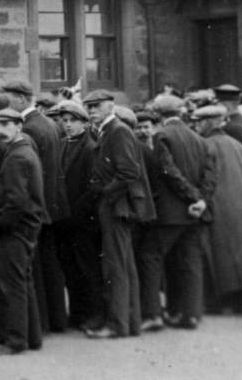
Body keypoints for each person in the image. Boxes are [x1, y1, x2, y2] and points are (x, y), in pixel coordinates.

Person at [137, 96, 215, 331]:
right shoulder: (201, 140)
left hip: (171, 213)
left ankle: (153, 314)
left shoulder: (163, 136)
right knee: (190, 262)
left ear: (159, 115)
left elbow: (168, 171)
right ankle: (191, 314)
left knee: (149, 256)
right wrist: (200, 200)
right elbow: (211, 177)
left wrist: (192, 197)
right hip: (195, 213)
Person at [84, 90, 154, 339]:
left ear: (110, 106)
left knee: (116, 267)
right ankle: (128, 323)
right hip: (116, 206)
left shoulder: (117, 130)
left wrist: (105, 193)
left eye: (97, 106)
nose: (92, 110)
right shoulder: (109, 130)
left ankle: (118, 324)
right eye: (89, 106)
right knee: (122, 265)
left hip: (117, 207)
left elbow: (128, 172)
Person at [5, 80, 69, 334]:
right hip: (51, 204)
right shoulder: (47, 123)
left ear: (21, 99)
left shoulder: (29, 128)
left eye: (8, 98)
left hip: (38, 206)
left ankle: (41, 322)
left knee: (38, 268)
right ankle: (56, 319)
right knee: (50, 266)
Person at [193, 104, 242, 314]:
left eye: (199, 122)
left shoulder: (203, 144)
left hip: (217, 207)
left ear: (209, 123)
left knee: (218, 254)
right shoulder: (237, 145)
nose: (197, 125)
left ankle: (217, 302)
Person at [0, 109, 47, 355]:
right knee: (23, 280)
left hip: (16, 228)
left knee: (12, 284)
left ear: (18, 126)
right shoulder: (23, 151)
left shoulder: (17, 156)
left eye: (5, 124)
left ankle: (16, 340)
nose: (0, 130)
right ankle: (32, 337)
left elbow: (16, 201)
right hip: (26, 226)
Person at [51, 99, 102, 332]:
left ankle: (93, 313)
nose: (68, 125)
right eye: (65, 121)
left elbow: (93, 188)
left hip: (82, 221)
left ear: (84, 123)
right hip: (64, 220)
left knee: (87, 269)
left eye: (73, 121)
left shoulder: (90, 148)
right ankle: (78, 312)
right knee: (69, 268)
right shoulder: (61, 145)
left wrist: (75, 213)